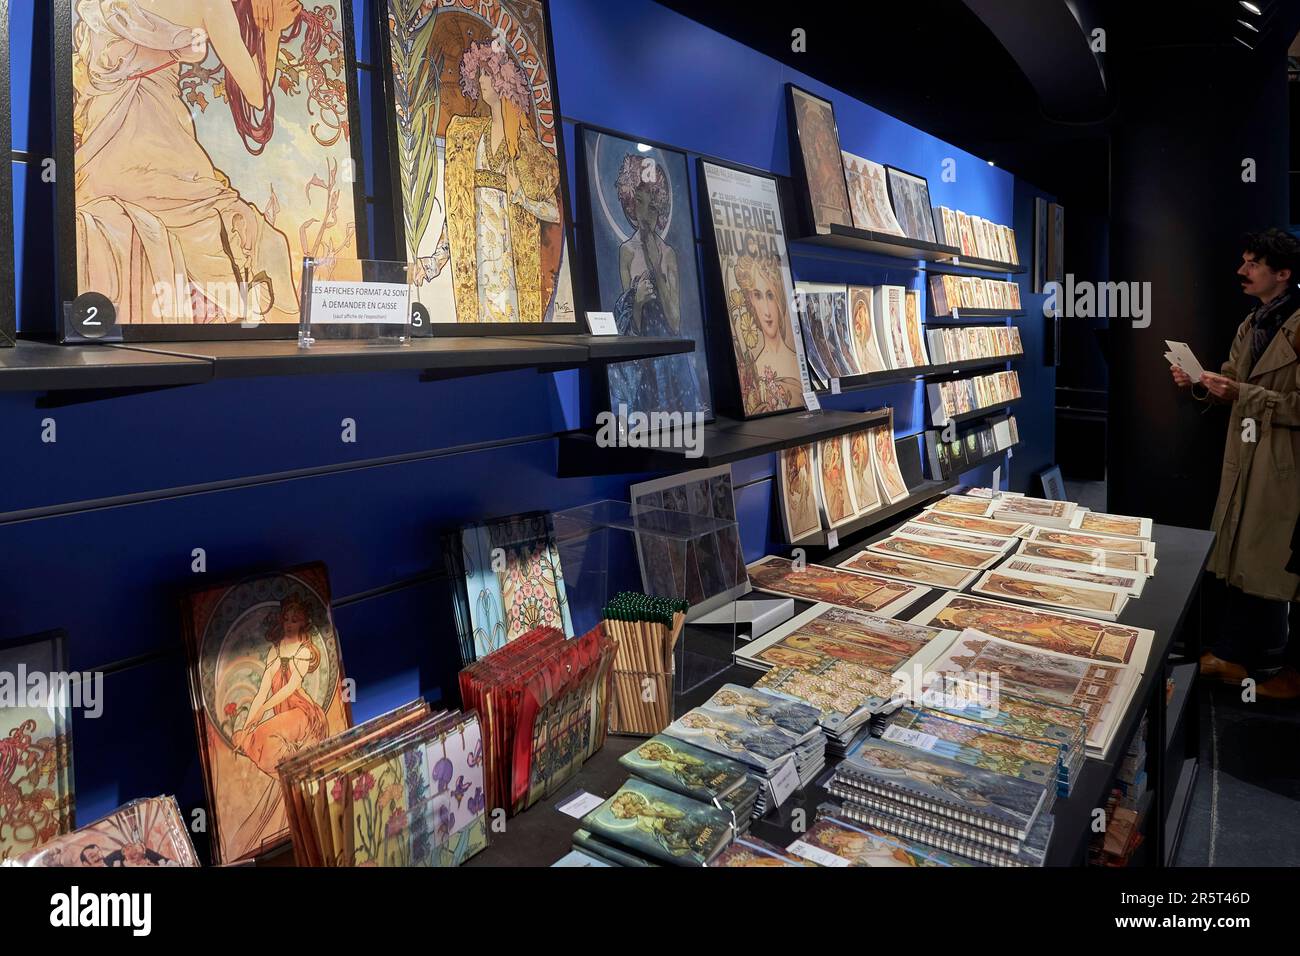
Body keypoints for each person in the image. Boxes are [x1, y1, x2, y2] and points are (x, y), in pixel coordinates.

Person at [1172, 227, 1300, 699]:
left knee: (1281, 561)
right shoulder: (1255, 321)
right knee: (1248, 556)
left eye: (1253, 264)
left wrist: (1243, 394)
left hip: (1285, 465)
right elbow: (1232, 379)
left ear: (1282, 274)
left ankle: (1287, 670)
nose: (1241, 271)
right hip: (1250, 458)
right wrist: (1200, 382)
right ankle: (1235, 653)